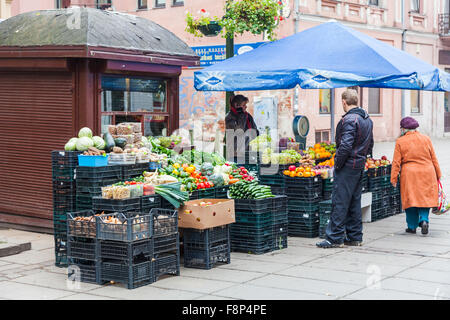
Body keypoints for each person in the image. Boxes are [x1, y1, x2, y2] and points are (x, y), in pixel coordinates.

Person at [317, 89, 374, 248]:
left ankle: (334, 238)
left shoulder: (349, 119)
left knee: (340, 202)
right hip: (359, 165)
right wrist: (364, 159)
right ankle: (355, 237)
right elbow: (370, 143)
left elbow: (346, 145)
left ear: (344, 102)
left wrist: (338, 163)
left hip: (348, 165)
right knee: (355, 201)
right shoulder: (366, 119)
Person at [390, 117, 442, 235]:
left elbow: (396, 162)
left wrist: (393, 178)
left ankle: (412, 226)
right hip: (427, 172)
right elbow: (434, 158)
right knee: (425, 199)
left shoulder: (400, 141)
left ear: (404, 129)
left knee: (410, 199)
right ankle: (424, 220)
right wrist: (438, 174)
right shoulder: (426, 139)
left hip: (410, 174)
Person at [225, 94, 259, 160]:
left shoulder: (247, 115)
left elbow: (255, 129)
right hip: (236, 153)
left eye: (246, 105)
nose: (246, 107)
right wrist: (241, 115)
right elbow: (239, 131)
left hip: (248, 151)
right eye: (243, 105)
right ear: (236, 105)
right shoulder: (229, 117)